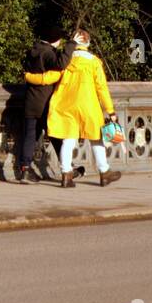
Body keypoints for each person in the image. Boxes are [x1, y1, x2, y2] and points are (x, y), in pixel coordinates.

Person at [45, 28, 122, 188]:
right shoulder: (94, 61)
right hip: (88, 105)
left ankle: (66, 175)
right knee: (96, 138)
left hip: (66, 104)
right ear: (87, 43)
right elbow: (102, 88)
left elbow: (52, 77)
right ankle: (104, 172)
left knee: (68, 139)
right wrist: (110, 111)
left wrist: (31, 77)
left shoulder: (65, 59)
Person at [18, 31, 77, 183]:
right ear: (54, 40)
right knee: (56, 136)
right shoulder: (48, 53)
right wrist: (71, 45)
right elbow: (61, 63)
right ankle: (68, 167)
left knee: (30, 136)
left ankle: (25, 169)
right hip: (45, 102)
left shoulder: (33, 50)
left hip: (31, 101)